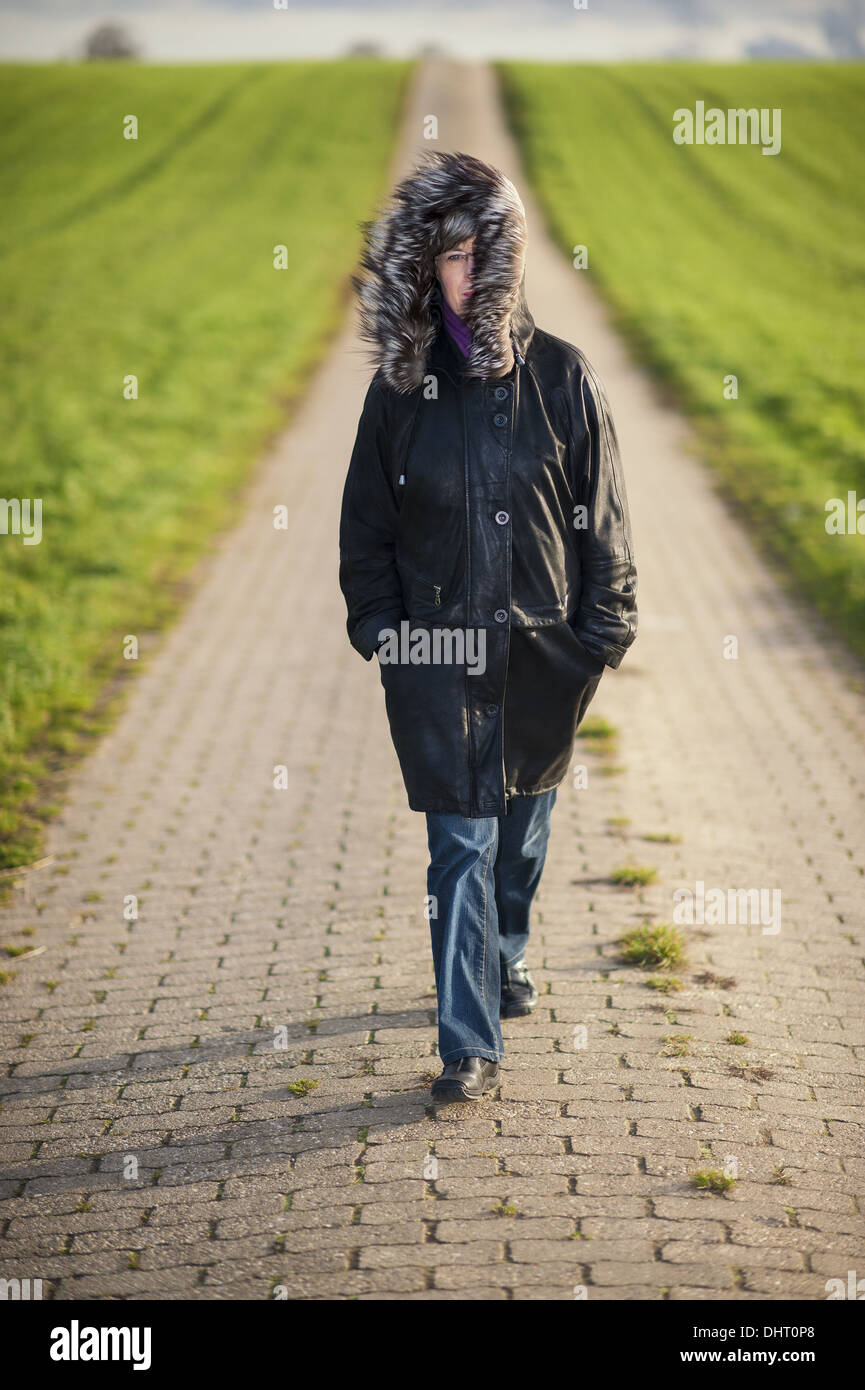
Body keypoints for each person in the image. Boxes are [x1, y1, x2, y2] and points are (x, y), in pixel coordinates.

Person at [339, 151, 637, 1103]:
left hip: (546, 653)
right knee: (458, 845)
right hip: (436, 657)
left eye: (473, 254)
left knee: (520, 838)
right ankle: (468, 1044)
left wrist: (603, 632)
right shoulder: (398, 393)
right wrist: (384, 633)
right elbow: (365, 528)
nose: (457, 275)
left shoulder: (563, 377)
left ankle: (506, 950)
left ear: (505, 258)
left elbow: (605, 512)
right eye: (443, 256)